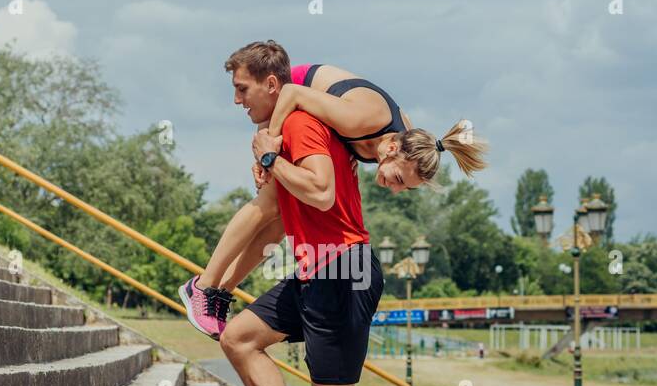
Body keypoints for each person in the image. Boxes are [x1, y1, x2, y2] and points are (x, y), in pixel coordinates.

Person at [216, 46, 397, 386]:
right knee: (239, 337)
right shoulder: (289, 128)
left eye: (243, 89)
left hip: (345, 268)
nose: (236, 100)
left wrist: (270, 157)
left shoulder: (299, 126)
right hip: (319, 269)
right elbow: (277, 210)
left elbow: (320, 191)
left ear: (273, 86)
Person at [180, 40, 488, 339]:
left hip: (302, 102)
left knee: (284, 221)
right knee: (270, 202)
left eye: (403, 188)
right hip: (288, 90)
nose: (394, 189)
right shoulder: (362, 120)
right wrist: (266, 151)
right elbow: (291, 93)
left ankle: (220, 293)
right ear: (392, 147)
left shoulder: (400, 143)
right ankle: (203, 286)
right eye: (398, 179)